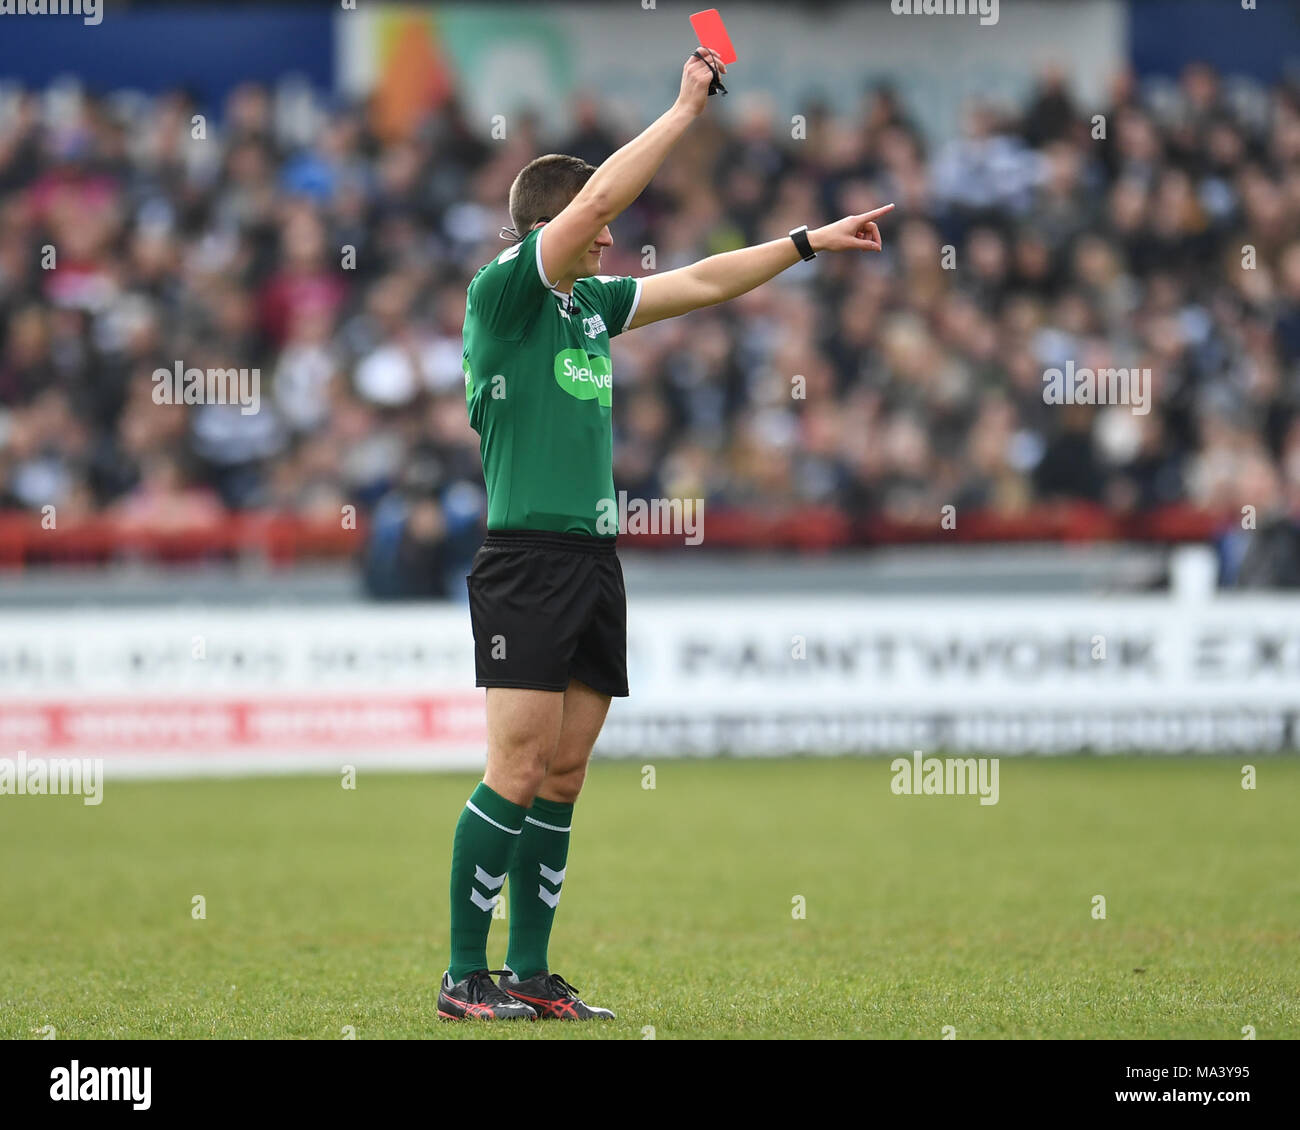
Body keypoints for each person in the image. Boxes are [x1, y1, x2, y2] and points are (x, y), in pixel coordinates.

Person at [438, 47, 894, 1020]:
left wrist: (804, 242)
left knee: (561, 774)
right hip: (523, 557)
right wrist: (686, 109)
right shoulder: (506, 294)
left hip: (592, 562)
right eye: (596, 233)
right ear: (555, 229)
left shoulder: (589, 310)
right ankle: (460, 973)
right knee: (513, 768)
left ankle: (527, 969)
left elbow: (702, 282)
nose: (609, 248)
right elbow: (601, 197)